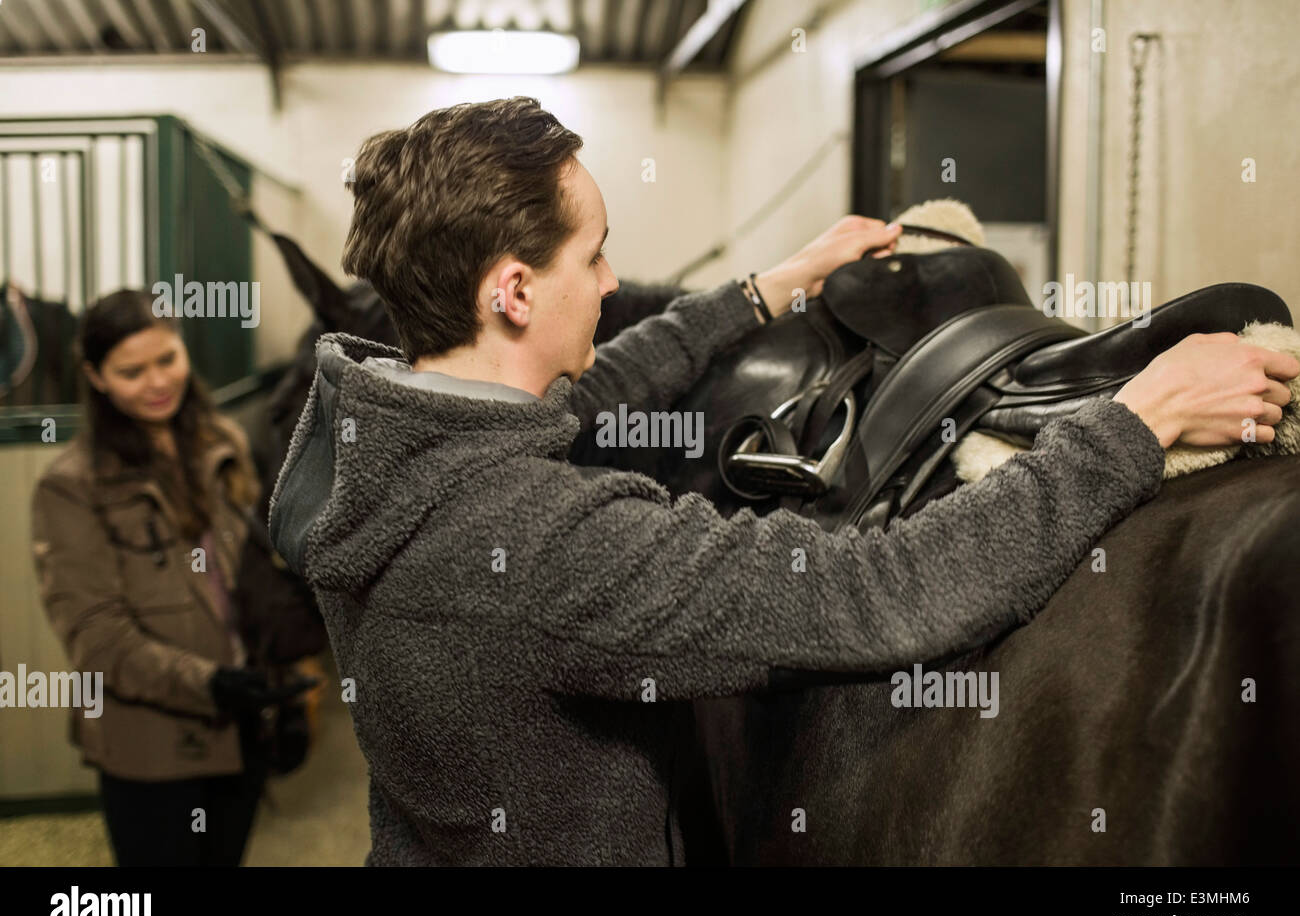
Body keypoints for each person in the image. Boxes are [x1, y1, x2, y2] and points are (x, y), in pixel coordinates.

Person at [268, 96, 1299, 866]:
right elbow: (876, 593)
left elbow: (593, 386)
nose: (615, 282)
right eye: (596, 256)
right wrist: (1136, 421)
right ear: (513, 289)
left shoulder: (377, 445)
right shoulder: (546, 544)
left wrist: (766, 290)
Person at [31, 289, 309, 866]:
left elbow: (255, 586)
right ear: (95, 376)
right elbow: (97, 637)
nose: (158, 382)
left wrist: (282, 697)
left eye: (168, 359)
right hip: (152, 746)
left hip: (243, 724)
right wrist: (209, 684)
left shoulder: (224, 446)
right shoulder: (72, 487)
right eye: (131, 371)